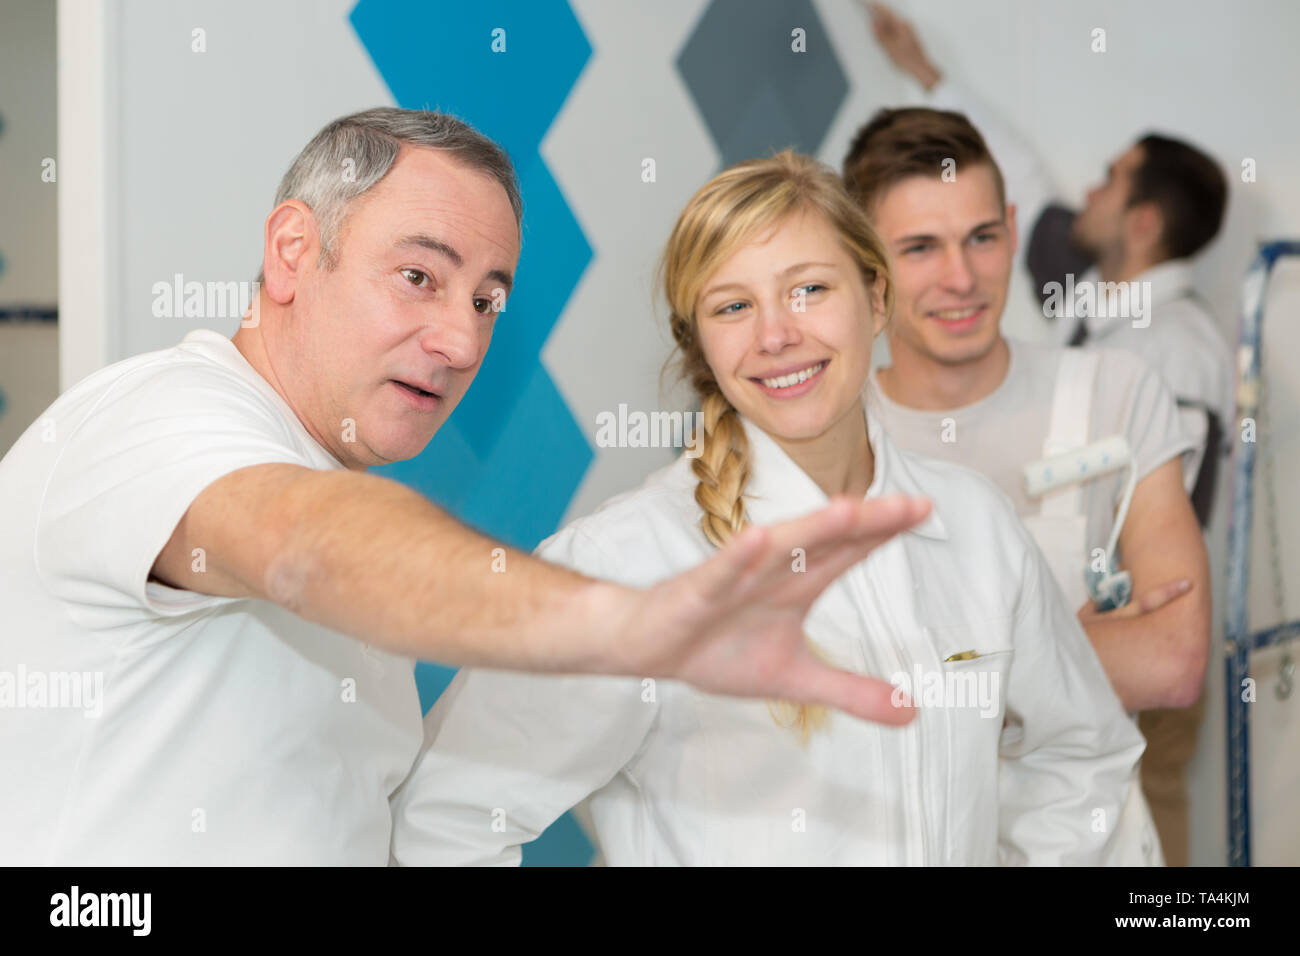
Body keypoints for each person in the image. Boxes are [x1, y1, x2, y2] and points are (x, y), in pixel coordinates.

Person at [0, 109, 932, 865]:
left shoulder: (334, 474)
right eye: (419, 276)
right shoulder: (154, 418)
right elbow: (301, 538)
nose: (462, 341)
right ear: (292, 251)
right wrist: (629, 628)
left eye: (488, 299)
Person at [389, 151, 1147, 866]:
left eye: (810, 289)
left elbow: (1080, 755)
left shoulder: (974, 524)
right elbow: (447, 822)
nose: (777, 334)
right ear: (702, 348)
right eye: (733, 306)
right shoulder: (623, 564)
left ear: (876, 299)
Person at [863, 0, 1228, 868]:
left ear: (1009, 233)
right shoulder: (824, 427)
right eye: (920, 246)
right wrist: (1065, 648)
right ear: (865, 261)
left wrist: (917, 668)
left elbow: (1173, 657)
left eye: (984, 237)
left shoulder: (1136, 369)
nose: (962, 276)